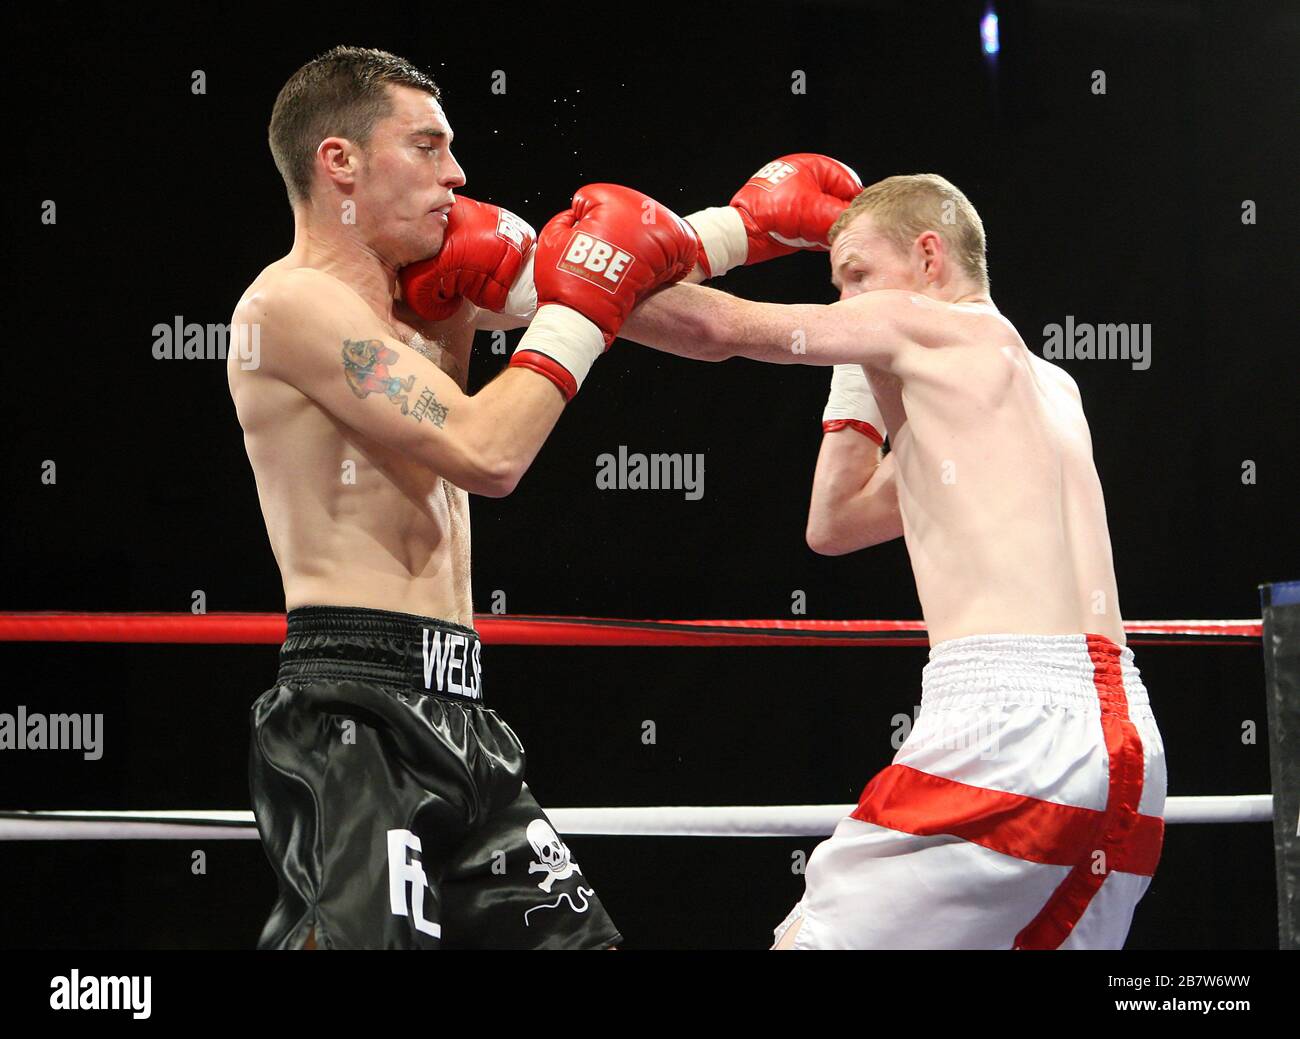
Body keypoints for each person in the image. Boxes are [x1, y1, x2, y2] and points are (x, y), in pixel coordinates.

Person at [619, 171, 1167, 949]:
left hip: (1005, 727)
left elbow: (716, 329)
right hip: (1130, 749)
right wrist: (862, 350)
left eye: (857, 276)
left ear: (930, 257)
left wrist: (573, 281)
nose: (846, 303)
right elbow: (835, 521)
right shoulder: (1051, 385)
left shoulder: (931, 329)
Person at [228, 45, 696, 949]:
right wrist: (578, 306)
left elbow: (674, 313)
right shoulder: (289, 306)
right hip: (354, 711)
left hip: (465, 707)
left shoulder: (435, 292)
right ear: (341, 162)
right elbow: (489, 450)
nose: (459, 172)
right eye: (429, 145)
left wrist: (749, 229)